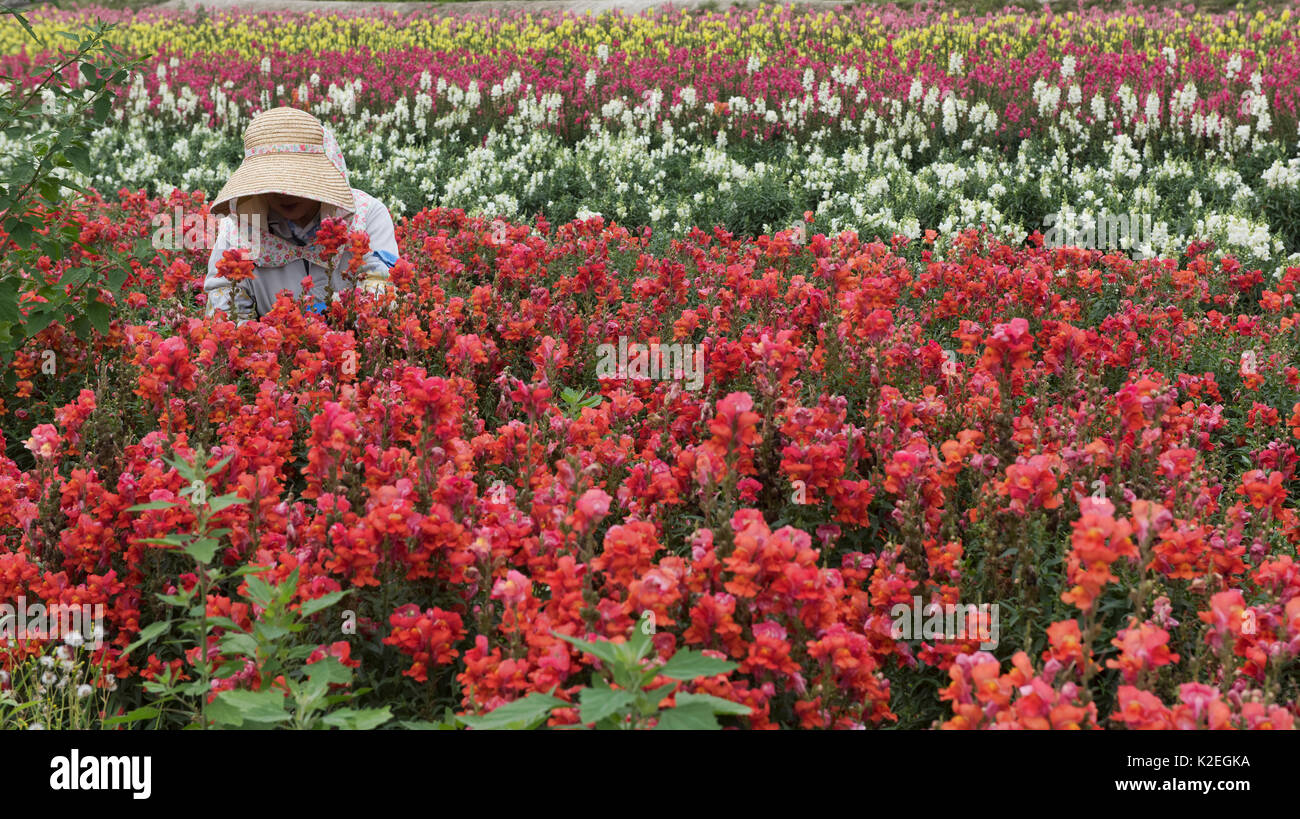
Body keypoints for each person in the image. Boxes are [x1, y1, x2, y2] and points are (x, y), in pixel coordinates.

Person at [203, 107, 398, 321]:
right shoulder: (237, 231)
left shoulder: (367, 217)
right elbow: (225, 315)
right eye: (271, 181)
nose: (283, 193)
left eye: (296, 180)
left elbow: (382, 295)